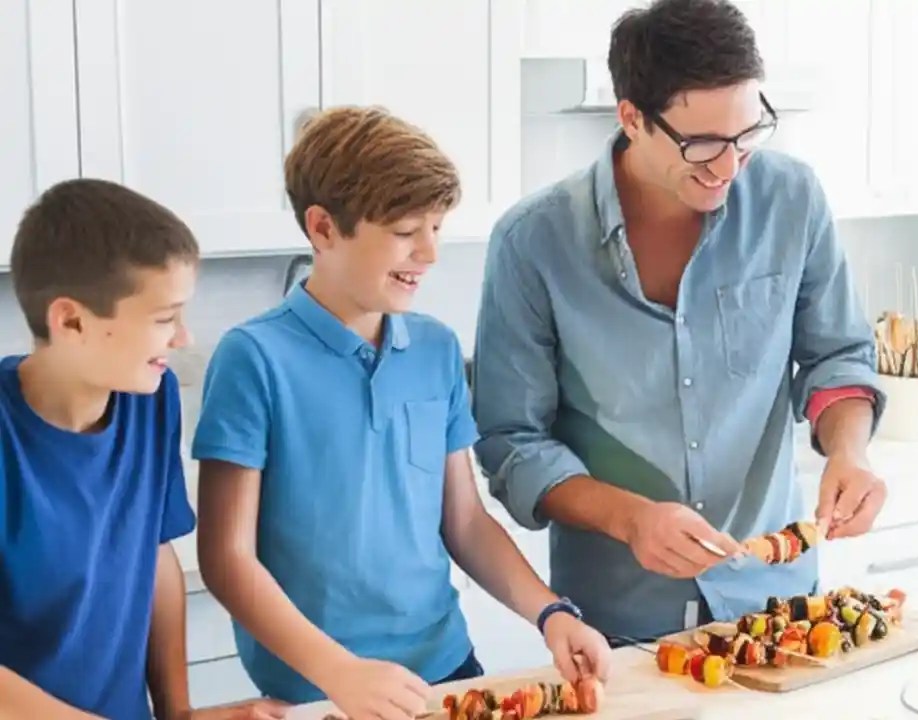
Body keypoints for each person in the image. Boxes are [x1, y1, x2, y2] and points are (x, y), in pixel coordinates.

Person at [471, 0, 886, 644]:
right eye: (703, 145)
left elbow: (836, 359)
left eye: (747, 136)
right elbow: (512, 441)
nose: (728, 166)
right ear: (632, 118)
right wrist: (631, 519)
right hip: (616, 622)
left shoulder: (792, 199)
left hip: (777, 607)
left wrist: (849, 453)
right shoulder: (533, 243)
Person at [192, 106, 611, 720]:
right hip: (319, 691)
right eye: (406, 230)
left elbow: (464, 521)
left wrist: (550, 613)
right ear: (323, 228)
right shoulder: (253, 358)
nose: (430, 252)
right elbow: (226, 559)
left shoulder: (436, 349)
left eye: (437, 227)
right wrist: (339, 672)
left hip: (446, 671)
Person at [0, 179, 287, 720]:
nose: (184, 339)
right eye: (164, 319)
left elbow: (154, 557)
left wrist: (176, 713)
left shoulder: (149, 402)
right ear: (72, 321)